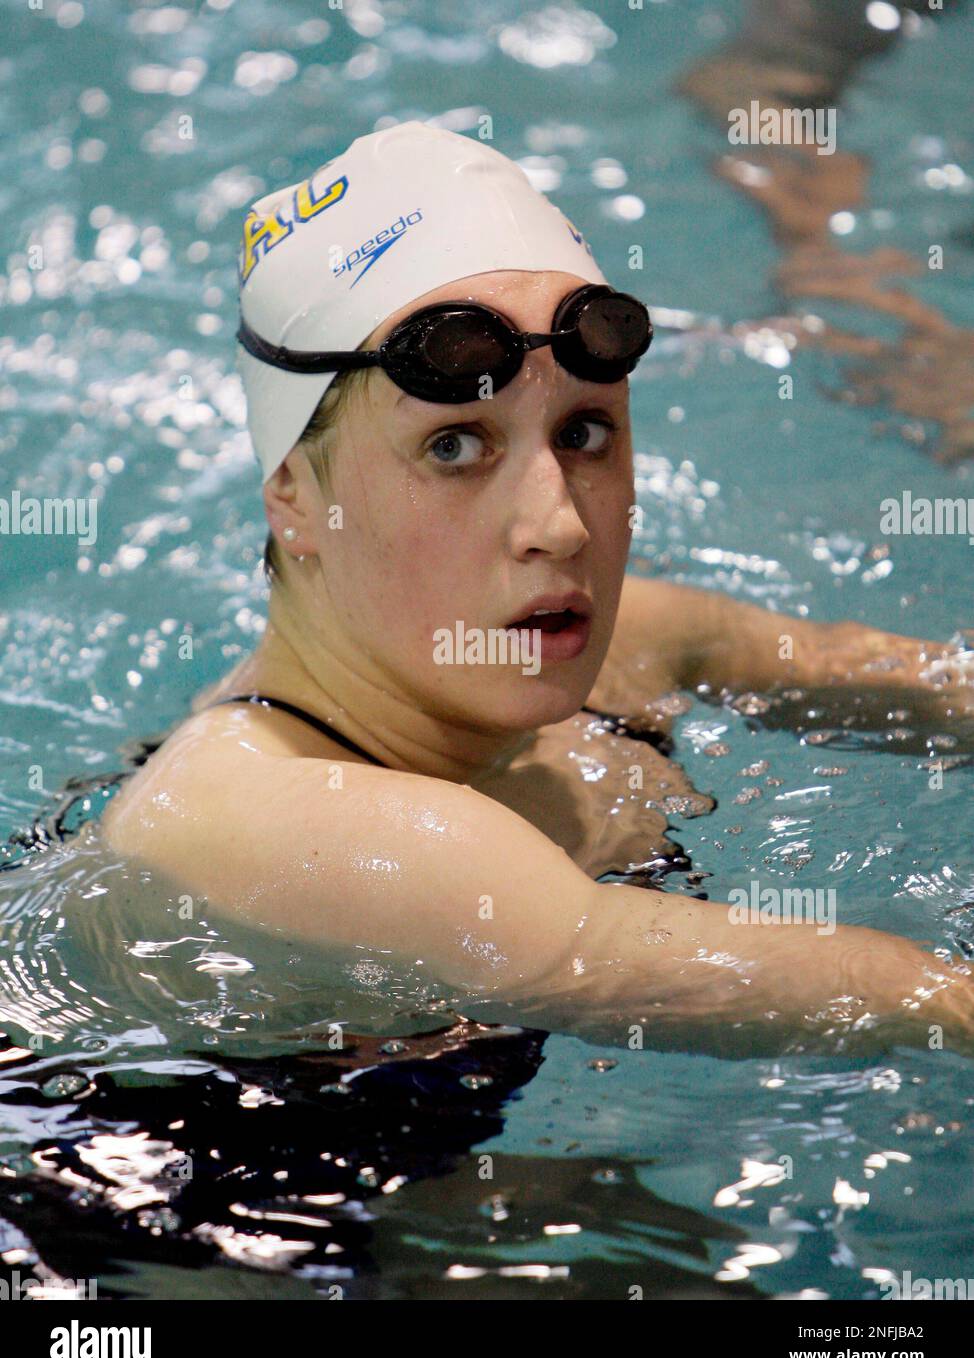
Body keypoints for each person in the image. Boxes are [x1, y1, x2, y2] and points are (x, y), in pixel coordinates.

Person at [101, 121, 974, 1059]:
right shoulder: (261, 819)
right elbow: (897, 997)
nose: (559, 525)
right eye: (455, 446)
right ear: (294, 499)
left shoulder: (627, 646)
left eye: (585, 432)